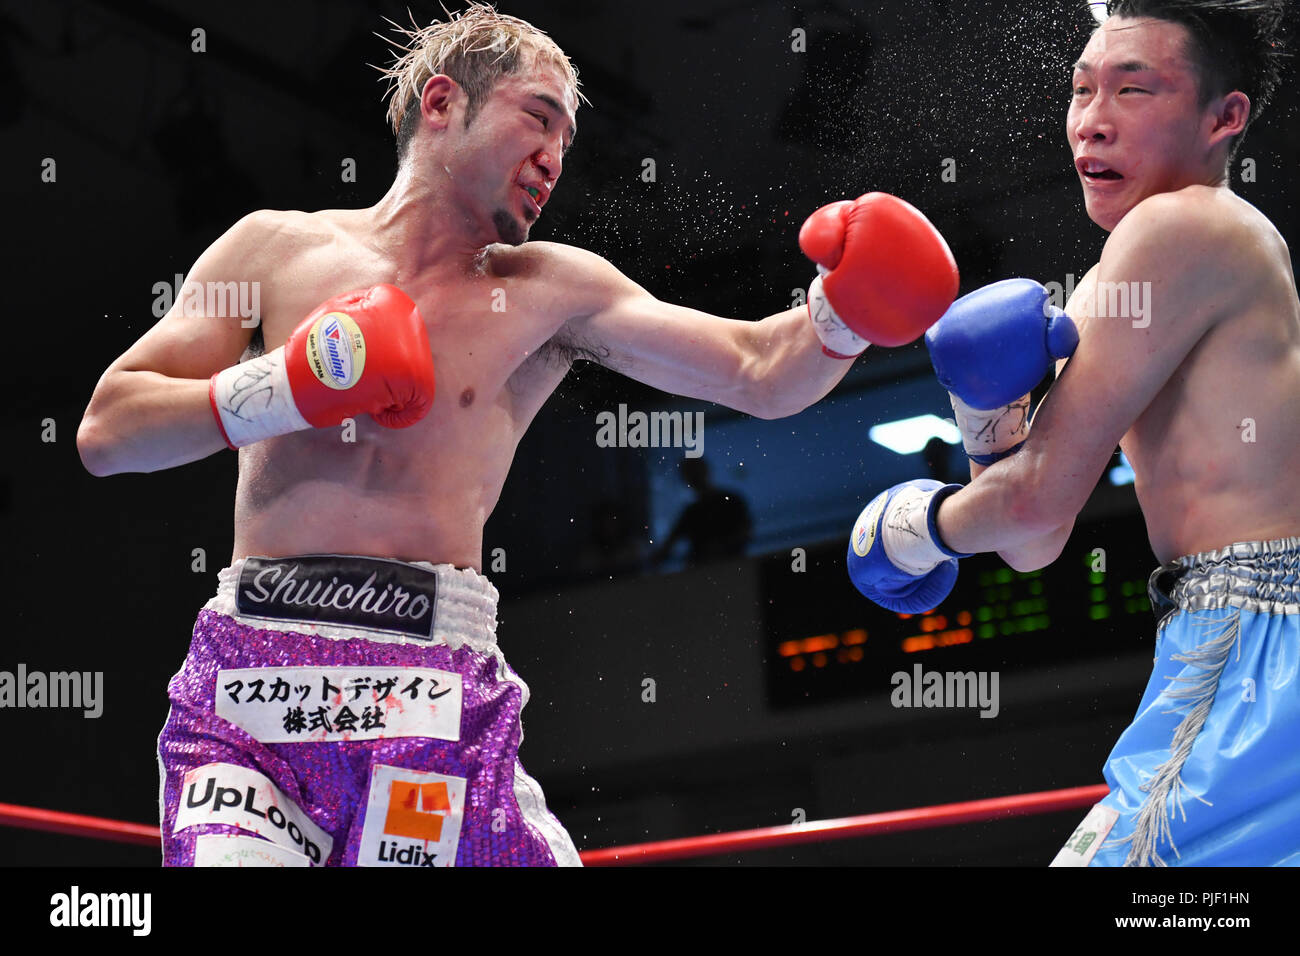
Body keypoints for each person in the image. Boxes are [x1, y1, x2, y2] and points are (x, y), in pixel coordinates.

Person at [76, 4, 959, 866]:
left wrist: (842, 313)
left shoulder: (548, 289)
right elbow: (109, 431)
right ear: (441, 102)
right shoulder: (270, 251)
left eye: (567, 143)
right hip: (254, 685)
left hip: (434, 688)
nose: (553, 159)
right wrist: (291, 389)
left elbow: (760, 370)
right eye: (537, 119)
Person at [846, 0, 1298, 866]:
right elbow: (1033, 536)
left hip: (1256, 651)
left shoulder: (1181, 224)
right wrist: (986, 421)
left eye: (1134, 90)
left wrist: (910, 528)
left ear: (1225, 117)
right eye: (1083, 89)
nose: (1093, 120)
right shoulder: (1176, 252)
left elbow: (1034, 503)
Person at [651, 458, 753, 566]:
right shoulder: (691, 512)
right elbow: (746, 533)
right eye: (690, 473)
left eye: (694, 472)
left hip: (716, 570)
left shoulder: (692, 512)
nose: (694, 477)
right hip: (728, 570)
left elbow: (745, 533)